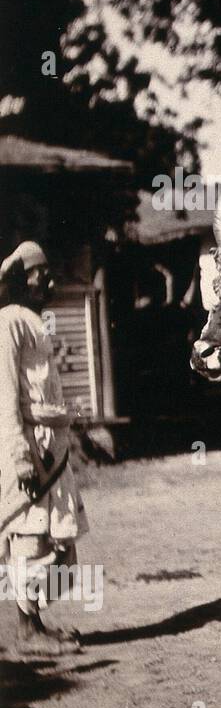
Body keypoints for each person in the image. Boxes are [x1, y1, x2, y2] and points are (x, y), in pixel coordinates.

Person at [0, 242, 88, 655]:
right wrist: (19, 456)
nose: (48, 279)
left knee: (57, 538)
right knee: (30, 535)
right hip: (29, 447)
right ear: (22, 277)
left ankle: (35, 622)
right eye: (41, 272)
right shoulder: (8, 322)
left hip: (52, 445)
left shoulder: (34, 321)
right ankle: (27, 630)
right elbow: (5, 396)